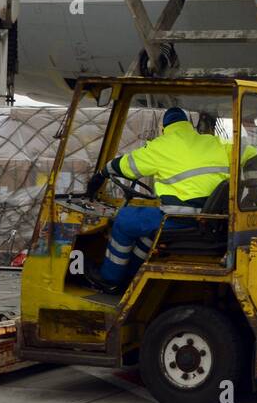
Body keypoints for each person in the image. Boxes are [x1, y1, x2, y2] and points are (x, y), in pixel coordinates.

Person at [85, 108, 232, 292]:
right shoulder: (212, 142)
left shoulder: (162, 145)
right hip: (211, 219)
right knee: (147, 231)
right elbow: (249, 152)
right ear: (188, 125)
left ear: (164, 128)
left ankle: (109, 279)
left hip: (180, 219)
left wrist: (102, 173)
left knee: (123, 220)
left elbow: (128, 165)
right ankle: (131, 276)